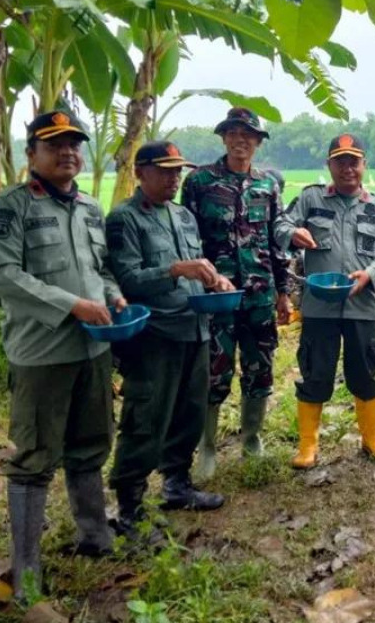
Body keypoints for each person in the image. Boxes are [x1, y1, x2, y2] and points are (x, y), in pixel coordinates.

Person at [0, 111, 126, 595]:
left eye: (74, 144)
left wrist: (111, 295)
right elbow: (3, 276)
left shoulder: (88, 207)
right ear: (32, 154)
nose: (68, 153)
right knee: (35, 456)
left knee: (90, 442)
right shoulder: (10, 207)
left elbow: (98, 269)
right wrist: (74, 305)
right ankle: (26, 569)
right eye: (55, 144)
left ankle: (94, 534)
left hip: (92, 349)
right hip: (42, 352)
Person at [105, 142, 231, 538]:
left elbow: (197, 268)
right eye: (164, 171)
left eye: (177, 171)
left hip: (195, 327)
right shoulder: (124, 219)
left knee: (189, 413)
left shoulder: (184, 216)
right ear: (140, 173)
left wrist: (215, 280)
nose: (173, 178)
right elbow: (126, 278)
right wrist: (174, 269)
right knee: (146, 418)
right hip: (155, 334)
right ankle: (129, 505)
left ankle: (177, 484)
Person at [276, 134, 375, 467]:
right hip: (319, 306)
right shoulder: (310, 199)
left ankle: (371, 439)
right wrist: (292, 234)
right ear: (329, 165)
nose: (348, 168)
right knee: (316, 371)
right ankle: (307, 447)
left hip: (363, 306)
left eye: (354, 161)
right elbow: (281, 223)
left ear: (363, 165)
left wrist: (371, 274)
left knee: (364, 370)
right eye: (340, 161)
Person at [181, 107, 292, 479]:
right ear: (223, 138)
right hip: (216, 297)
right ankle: (208, 447)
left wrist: (283, 292)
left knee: (260, 370)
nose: (240, 139)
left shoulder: (268, 186)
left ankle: (251, 439)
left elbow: (277, 240)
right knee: (213, 373)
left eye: (248, 134)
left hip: (260, 295)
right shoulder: (200, 183)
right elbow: (188, 241)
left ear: (258, 142)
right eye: (233, 132)